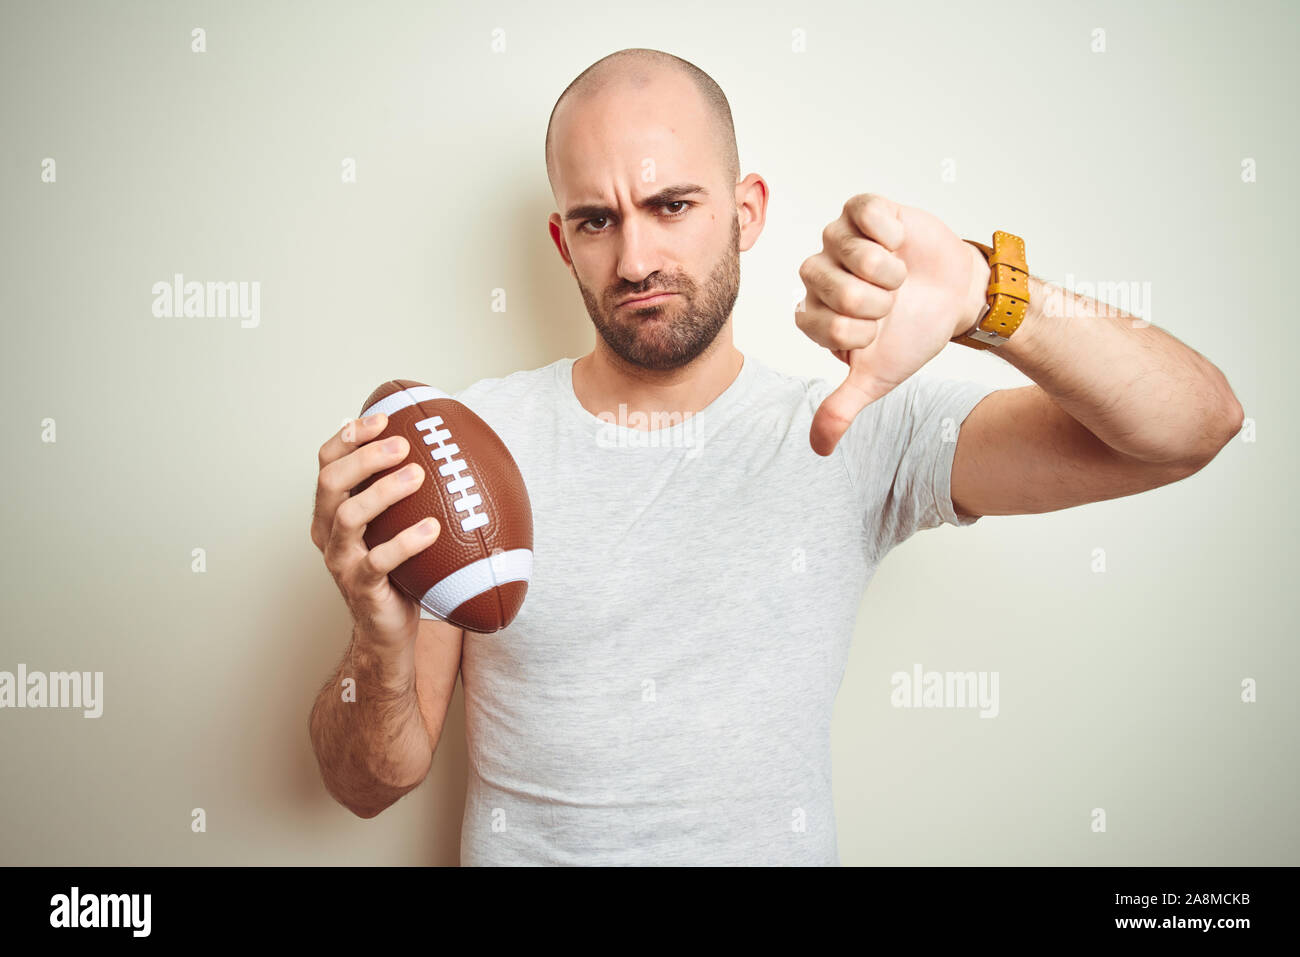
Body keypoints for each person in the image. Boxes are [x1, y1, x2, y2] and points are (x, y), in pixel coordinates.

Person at [308, 48, 1243, 865]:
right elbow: (366, 783)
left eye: (672, 204)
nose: (636, 258)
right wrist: (374, 643)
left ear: (746, 211)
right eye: (597, 219)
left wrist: (984, 292)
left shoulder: (857, 425)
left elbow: (1192, 428)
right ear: (563, 240)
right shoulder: (477, 441)